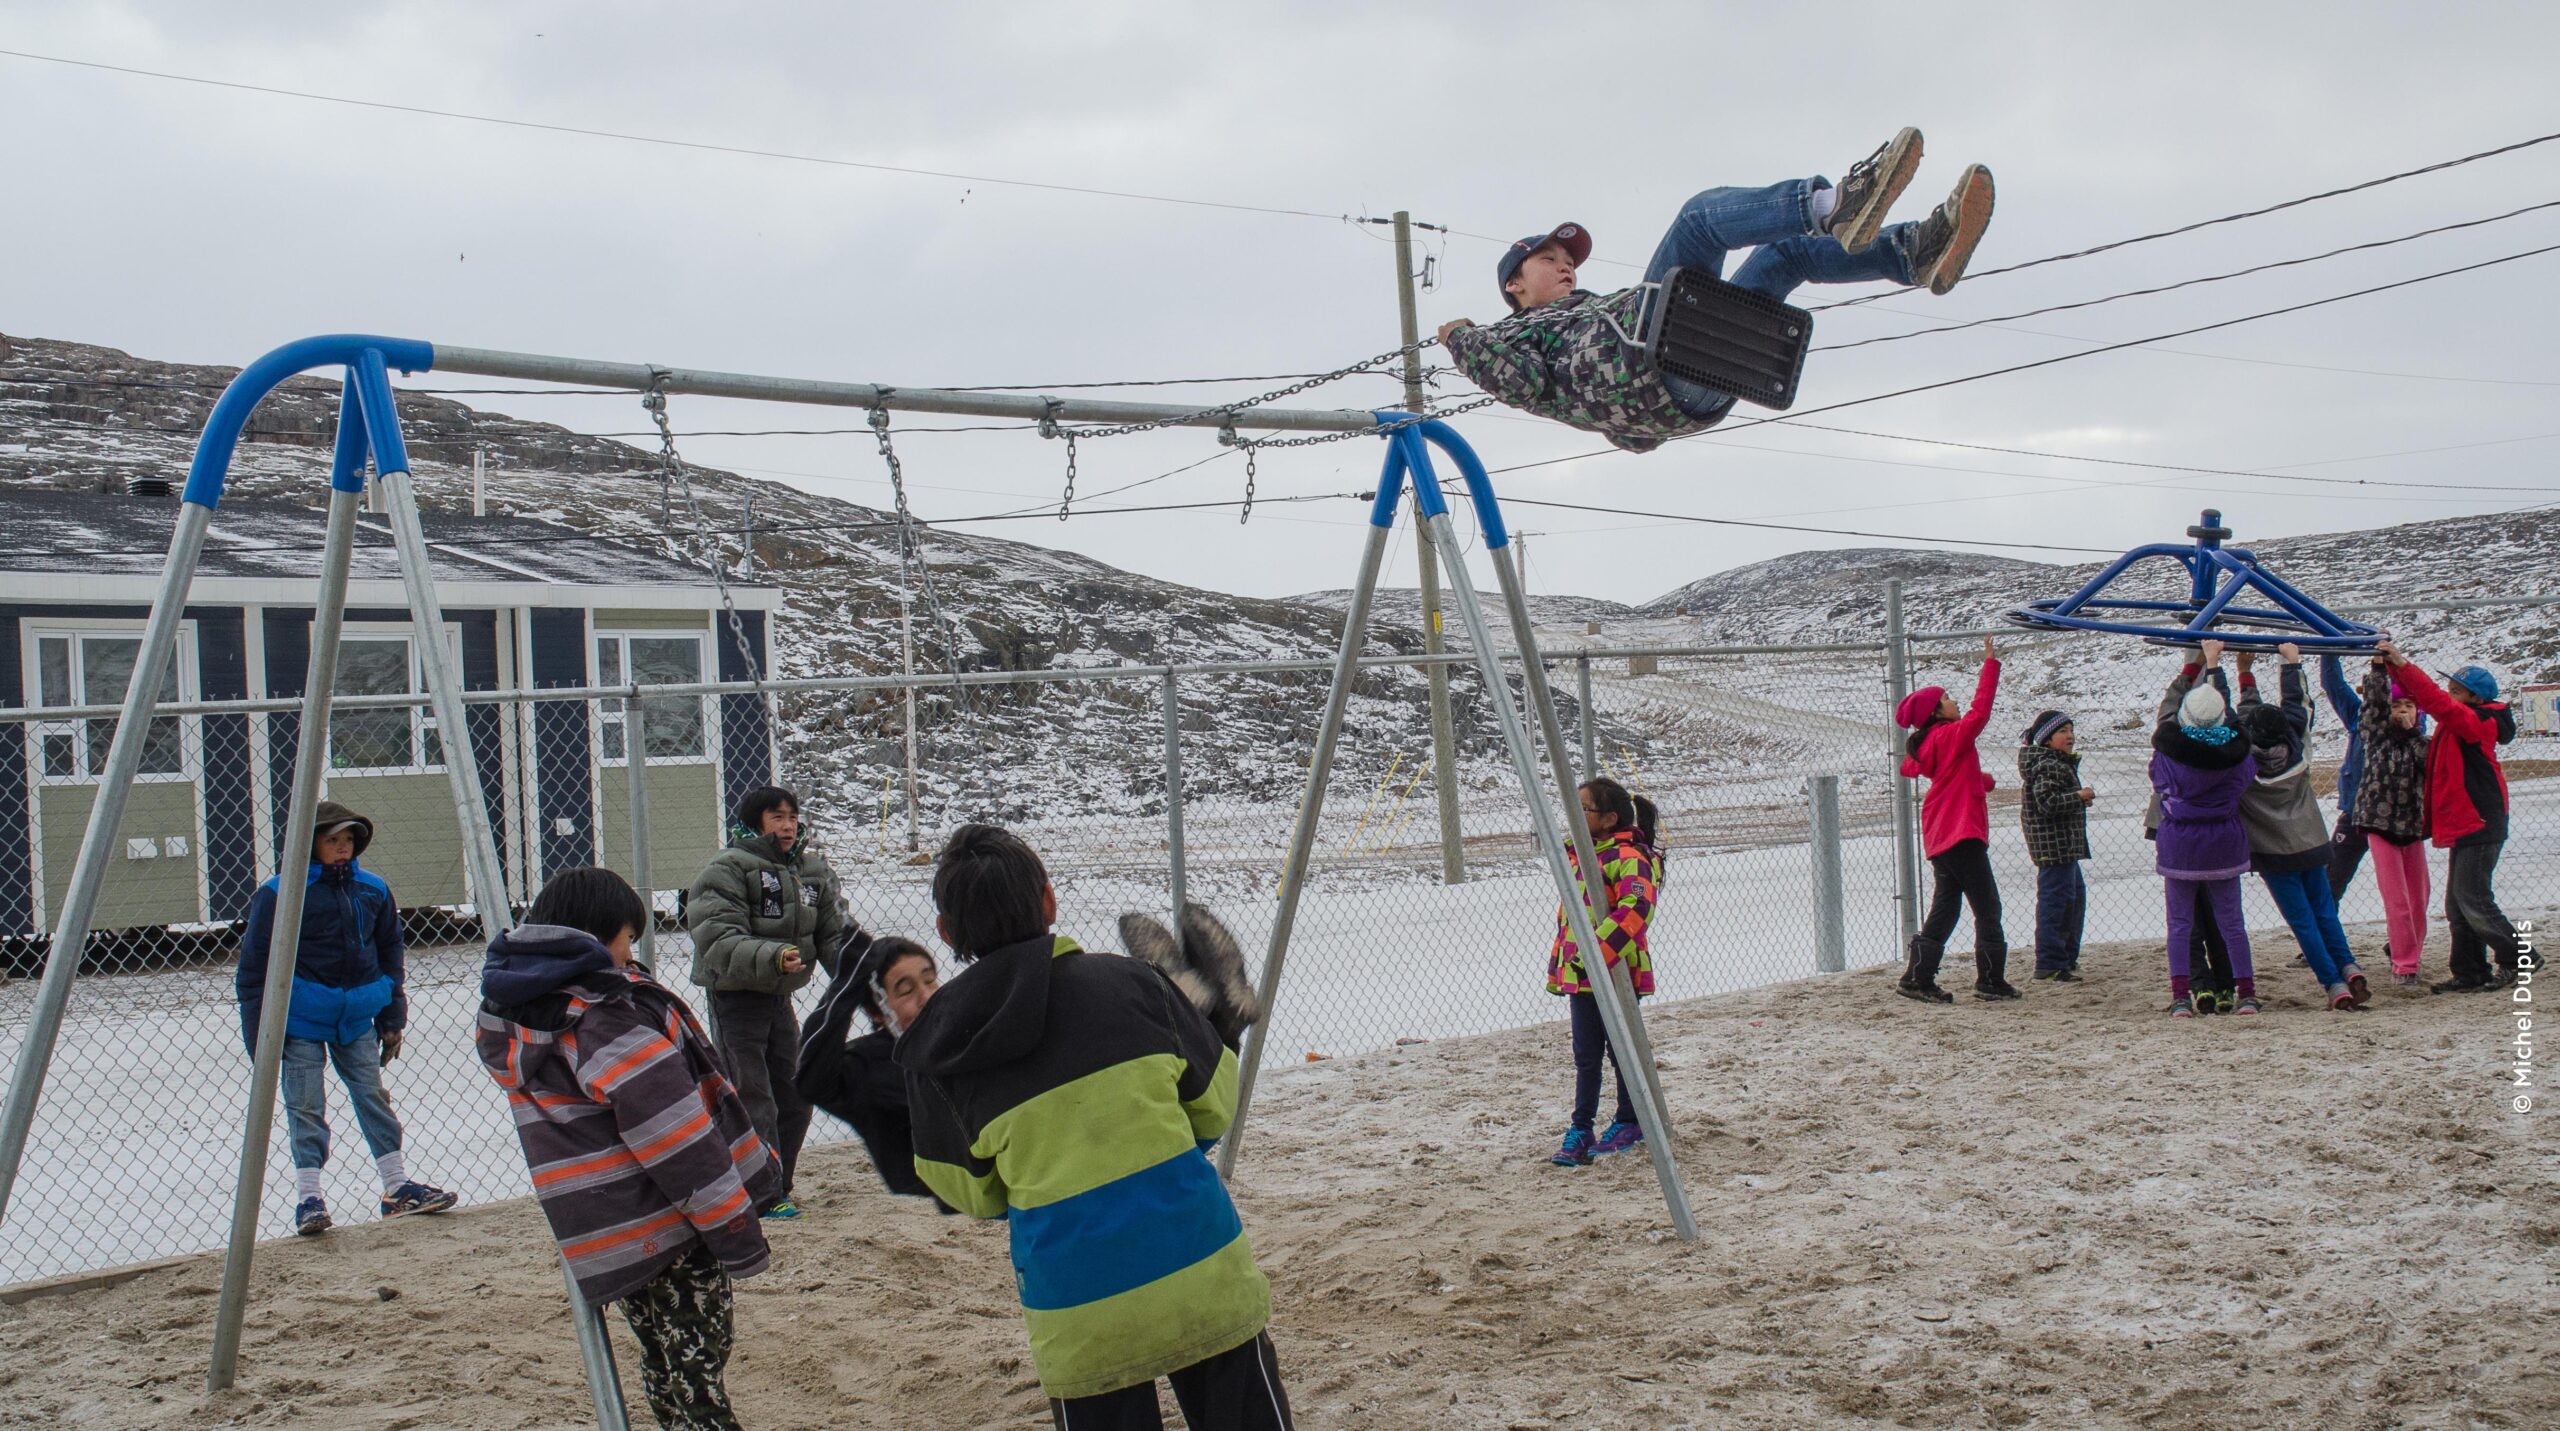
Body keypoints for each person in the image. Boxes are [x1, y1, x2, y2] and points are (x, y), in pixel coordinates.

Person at [897, 824, 1292, 1430]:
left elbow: (970, 1192)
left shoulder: (938, 1055)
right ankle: (1216, 1025)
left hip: (1078, 1311)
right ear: (1050, 901)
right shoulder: (1134, 983)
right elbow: (1214, 1109)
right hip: (1202, 1277)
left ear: (947, 933)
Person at [1436, 127, 1994, 452]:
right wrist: (1462, 336)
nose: (1567, 268)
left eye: (1569, 262)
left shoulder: (1584, 323)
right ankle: (1835, 204)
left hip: (1695, 384)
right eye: (1549, 260)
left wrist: (1625, 413)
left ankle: (1913, 251)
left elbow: (1634, 440)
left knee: (1784, 255)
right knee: (1699, 219)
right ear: (1514, 284)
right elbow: (1520, 384)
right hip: (1653, 357)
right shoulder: (1512, 334)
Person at [477, 866, 778, 1431]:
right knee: (699, 1372)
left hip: (608, 1230)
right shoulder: (607, 1018)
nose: (630, 954)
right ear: (596, 937)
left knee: (664, 1363)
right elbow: (675, 1137)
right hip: (672, 1222)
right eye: (627, 940)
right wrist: (732, 1226)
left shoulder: (526, 1012)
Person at [235, 798, 455, 1236]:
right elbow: (254, 969)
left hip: (357, 1017)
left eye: (349, 839)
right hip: (300, 1020)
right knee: (306, 1106)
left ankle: (397, 1188)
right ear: (308, 844)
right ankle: (309, 1198)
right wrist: (261, 1033)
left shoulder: (372, 888)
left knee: (372, 1096)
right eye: (332, 839)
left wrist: (392, 1015)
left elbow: (390, 951)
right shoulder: (280, 893)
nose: (342, 848)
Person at [686, 784, 862, 1220]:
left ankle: (777, 1184)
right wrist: (771, 955)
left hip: (778, 998)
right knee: (752, 1096)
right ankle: (758, 1195)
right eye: (776, 817)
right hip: (734, 998)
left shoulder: (811, 870)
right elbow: (716, 935)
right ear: (755, 823)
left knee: (795, 1093)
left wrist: (865, 965)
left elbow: (833, 933)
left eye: (792, 817)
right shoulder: (727, 868)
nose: (787, 826)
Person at [2376, 641, 2525, 992]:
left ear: (2474, 698)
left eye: (2457, 690)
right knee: (2458, 902)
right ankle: (2470, 971)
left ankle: (2518, 956)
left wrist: (2401, 662)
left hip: (2480, 819)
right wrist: (2396, 668)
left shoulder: (2478, 721)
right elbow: (2431, 698)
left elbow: (2433, 701)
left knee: (2473, 896)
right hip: (2467, 820)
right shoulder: (2465, 717)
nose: (2449, 694)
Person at [2230, 645, 2371, 1011]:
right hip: (2310, 842)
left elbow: (2233, 722)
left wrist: (2231, 672)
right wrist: (2289, 662)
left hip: (2274, 853)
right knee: (2324, 910)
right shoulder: (2298, 751)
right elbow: (2297, 709)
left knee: (2303, 922)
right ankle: (2349, 966)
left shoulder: (2241, 762)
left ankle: (2333, 984)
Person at [1547, 777, 1661, 1167]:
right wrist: (1576, 962)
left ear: (1610, 818)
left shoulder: (1630, 857)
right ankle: (1581, 1127)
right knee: (1585, 1054)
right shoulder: (1581, 854)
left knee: (1620, 1051)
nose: (1575, 816)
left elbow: (1637, 908)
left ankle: (1631, 1119)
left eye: (1585, 809)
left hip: (1615, 973)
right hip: (1582, 973)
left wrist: (1597, 954)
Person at [1894, 635, 2014, 1002]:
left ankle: (1918, 977)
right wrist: (1990, 664)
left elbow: (1947, 775)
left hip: (1942, 833)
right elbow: (1981, 712)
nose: (1954, 701)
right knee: (1987, 906)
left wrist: (1982, 783)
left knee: (1946, 906)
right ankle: (1990, 980)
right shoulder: (1950, 736)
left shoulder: (1932, 742)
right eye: (1947, 699)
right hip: (1960, 832)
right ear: (1935, 712)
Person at [794, 935, 952, 1208]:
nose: (926, 997)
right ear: (877, 1011)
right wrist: (846, 985)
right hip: (942, 1183)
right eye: (905, 991)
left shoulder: (960, 1036)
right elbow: (812, 1079)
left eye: (929, 980)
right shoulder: (870, 1066)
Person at [2150, 642, 2260, 1017]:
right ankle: (2245, 991)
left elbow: (2158, 779)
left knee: (2180, 924)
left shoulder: (2168, 756)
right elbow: (2245, 771)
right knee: (2232, 922)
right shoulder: (2236, 758)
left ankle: (2181, 996)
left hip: (2180, 845)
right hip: (2225, 844)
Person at [2352, 655, 2433, 986]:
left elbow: (2429, 763)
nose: (2403, 712)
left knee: (2419, 897)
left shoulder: (2421, 743)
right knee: (2397, 899)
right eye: (2397, 705)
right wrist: (2378, 670)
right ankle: (2405, 965)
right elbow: (2372, 706)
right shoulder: (2376, 736)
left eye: (2409, 707)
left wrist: (2412, 733)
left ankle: (2407, 948)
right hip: (2380, 825)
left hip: (2411, 827)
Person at [2017, 710, 2094, 983]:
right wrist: (2078, 797)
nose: (2070, 736)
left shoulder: (2058, 763)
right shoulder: (2048, 765)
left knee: (2073, 900)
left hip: (2065, 848)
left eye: (2071, 730)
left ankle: (2066, 958)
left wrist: (2076, 798)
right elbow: (2047, 803)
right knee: (2057, 904)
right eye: (2063, 732)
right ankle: (2050, 962)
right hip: (2054, 848)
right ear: (2047, 739)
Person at [2318, 654, 2375, 899]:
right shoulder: (2359, 717)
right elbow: (2334, 685)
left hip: (2392, 818)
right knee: (2330, 881)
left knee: (2398, 882)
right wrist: (2329, 650)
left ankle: (2404, 937)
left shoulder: (2409, 726)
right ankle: (2326, 935)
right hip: (2355, 815)